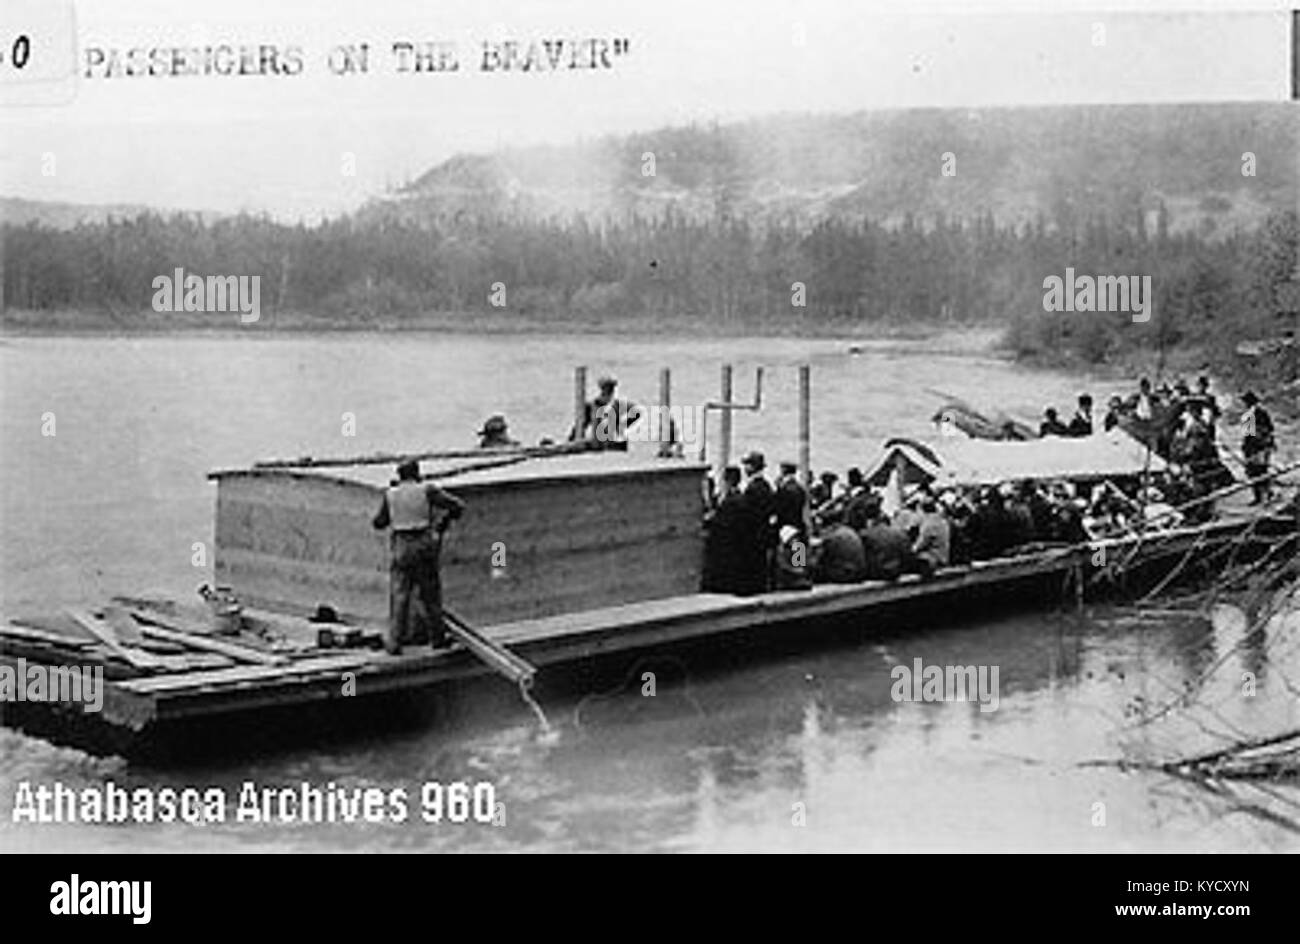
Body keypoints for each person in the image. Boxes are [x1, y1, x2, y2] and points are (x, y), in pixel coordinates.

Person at [372, 459, 465, 654]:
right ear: (417, 473)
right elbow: (457, 505)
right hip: (424, 543)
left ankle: (395, 643)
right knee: (430, 594)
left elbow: (379, 523)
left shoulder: (391, 494)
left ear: (400, 476)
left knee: (399, 595)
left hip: (401, 545)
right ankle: (437, 638)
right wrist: (442, 523)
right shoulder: (427, 490)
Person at [702, 466, 768, 595]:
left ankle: (797, 579)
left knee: (796, 558)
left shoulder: (742, 496)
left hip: (784, 533)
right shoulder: (763, 488)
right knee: (797, 561)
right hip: (787, 532)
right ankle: (799, 580)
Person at [572, 375, 641, 446]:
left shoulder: (617, 404)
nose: (611, 391)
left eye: (611, 389)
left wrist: (620, 426)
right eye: (608, 389)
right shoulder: (592, 406)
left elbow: (637, 411)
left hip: (609, 443)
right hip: (598, 443)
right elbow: (580, 426)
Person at [811, 511, 868, 583]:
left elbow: (816, 560)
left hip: (842, 575)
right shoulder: (850, 531)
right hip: (858, 574)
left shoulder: (830, 536)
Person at [1240, 391, 1275, 505]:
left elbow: (1269, 429)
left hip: (1259, 447)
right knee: (1251, 471)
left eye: (1245, 402)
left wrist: (1265, 441)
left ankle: (1267, 493)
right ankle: (1258, 496)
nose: (1244, 404)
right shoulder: (1247, 414)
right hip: (1250, 447)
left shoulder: (1260, 413)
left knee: (1260, 470)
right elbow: (1246, 433)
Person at [911, 495, 951, 576]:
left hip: (934, 561)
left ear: (922, 511)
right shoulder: (942, 521)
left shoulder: (929, 525)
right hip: (944, 556)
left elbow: (917, 547)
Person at [773, 460, 809, 537]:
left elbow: (780, 508)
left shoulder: (786, 489)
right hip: (797, 527)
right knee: (799, 548)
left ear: (783, 471)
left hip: (787, 530)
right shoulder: (799, 488)